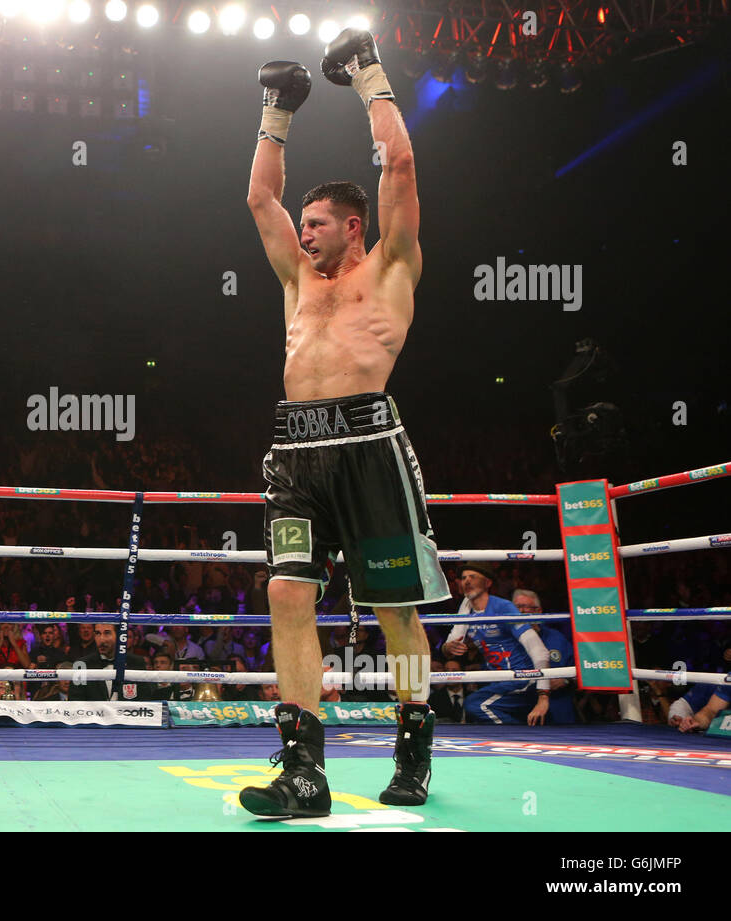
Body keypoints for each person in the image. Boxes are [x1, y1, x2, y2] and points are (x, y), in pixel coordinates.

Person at [241, 30, 449, 819]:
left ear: (353, 226)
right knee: (287, 594)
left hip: (369, 446)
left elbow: (399, 164)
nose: (304, 230)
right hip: (295, 451)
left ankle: (413, 743)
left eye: (318, 221)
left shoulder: (391, 267)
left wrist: (368, 74)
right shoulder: (296, 275)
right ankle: (304, 772)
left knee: (396, 612)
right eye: (305, 222)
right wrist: (276, 112)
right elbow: (259, 199)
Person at [443, 565, 553, 725]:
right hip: (500, 682)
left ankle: (520, 739)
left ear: (487, 583)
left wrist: (543, 696)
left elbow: (539, 650)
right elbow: (449, 647)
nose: (467, 581)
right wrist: (448, 647)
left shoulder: (503, 607)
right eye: (464, 578)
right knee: (478, 710)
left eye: (472, 576)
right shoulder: (466, 610)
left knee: (476, 705)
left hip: (522, 678)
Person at [514, 589, 575, 724]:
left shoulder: (557, 638)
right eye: (518, 607)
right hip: (519, 707)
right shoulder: (505, 641)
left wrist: (565, 680)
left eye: (527, 607)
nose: (522, 612)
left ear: (538, 611)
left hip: (557, 706)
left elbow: (579, 668)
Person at [69, 623, 152, 701]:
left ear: (119, 636)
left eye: (107, 633)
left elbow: (144, 699)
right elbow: (76, 702)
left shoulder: (136, 662)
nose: (101, 639)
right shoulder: (81, 664)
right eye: (98, 633)